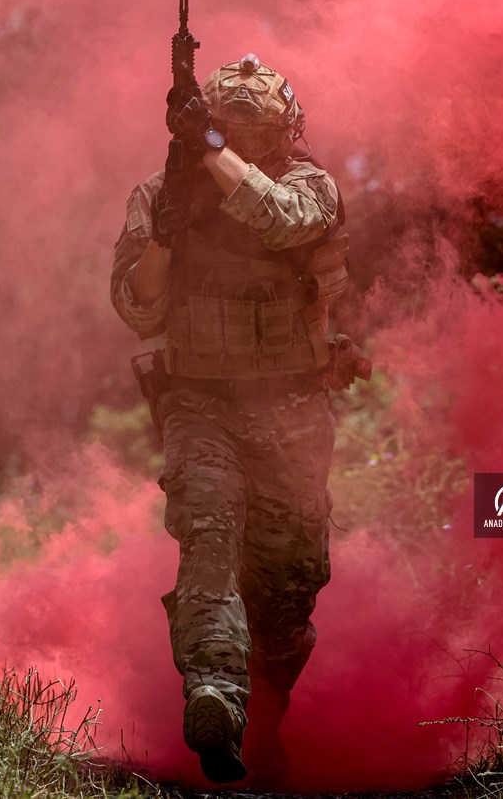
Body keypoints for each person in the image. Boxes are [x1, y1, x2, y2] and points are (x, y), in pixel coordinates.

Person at [110, 53, 355, 784]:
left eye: (260, 133)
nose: (250, 143)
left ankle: (266, 715)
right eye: (231, 129)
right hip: (201, 404)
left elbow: (281, 220)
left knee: (288, 587)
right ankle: (213, 691)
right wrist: (165, 236)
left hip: (291, 409)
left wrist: (210, 153)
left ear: (286, 132)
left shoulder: (310, 184)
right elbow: (136, 309)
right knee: (208, 533)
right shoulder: (161, 193)